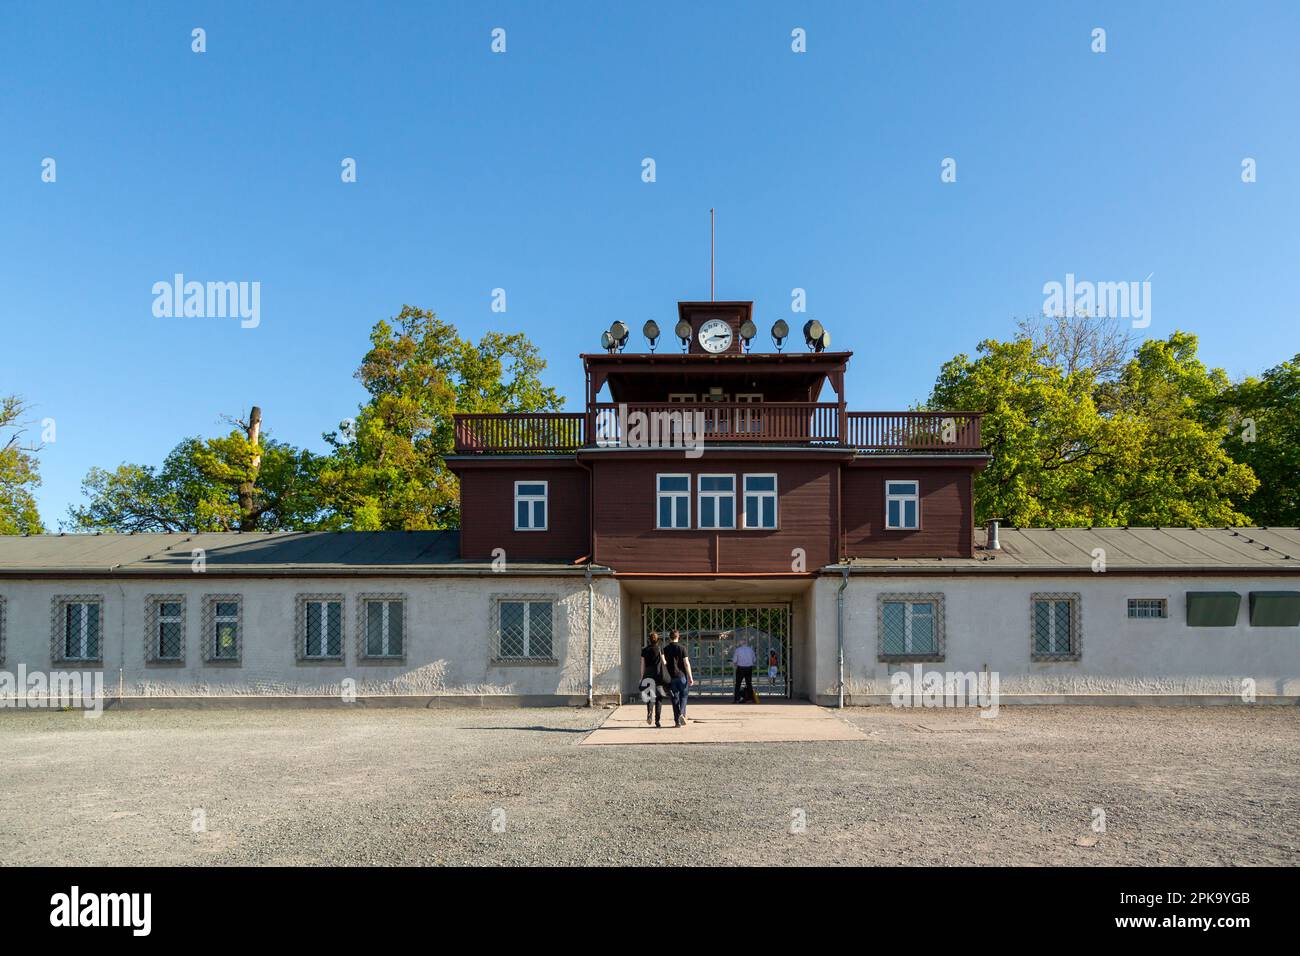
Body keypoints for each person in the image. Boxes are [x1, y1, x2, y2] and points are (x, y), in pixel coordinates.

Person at [639, 632, 671, 727]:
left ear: (649, 639)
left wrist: (641, 677)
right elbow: (664, 661)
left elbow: (642, 665)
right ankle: (657, 721)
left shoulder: (644, 650)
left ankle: (649, 714)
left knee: (650, 696)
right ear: (657, 639)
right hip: (658, 675)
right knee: (659, 698)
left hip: (648, 675)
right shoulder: (659, 648)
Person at [663, 630, 693, 727]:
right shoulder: (682, 648)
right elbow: (686, 663)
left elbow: (664, 664)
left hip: (671, 678)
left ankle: (677, 722)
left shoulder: (665, 649)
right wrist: (690, 677)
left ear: (669, 638)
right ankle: (682, 714)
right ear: (678, 637)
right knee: (683, 697)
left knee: (675, 699)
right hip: (681, 677)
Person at [733, 636, 756, 703]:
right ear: (746, 643)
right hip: (749, 668)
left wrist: (735, 663)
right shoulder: (750, 650)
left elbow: (734, 660)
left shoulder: (738, 650)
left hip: (741, 668)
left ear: (741, 643)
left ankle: (737, 699)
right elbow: (754, 660)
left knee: (738, 684)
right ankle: (750, 698)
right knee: (749, 683)